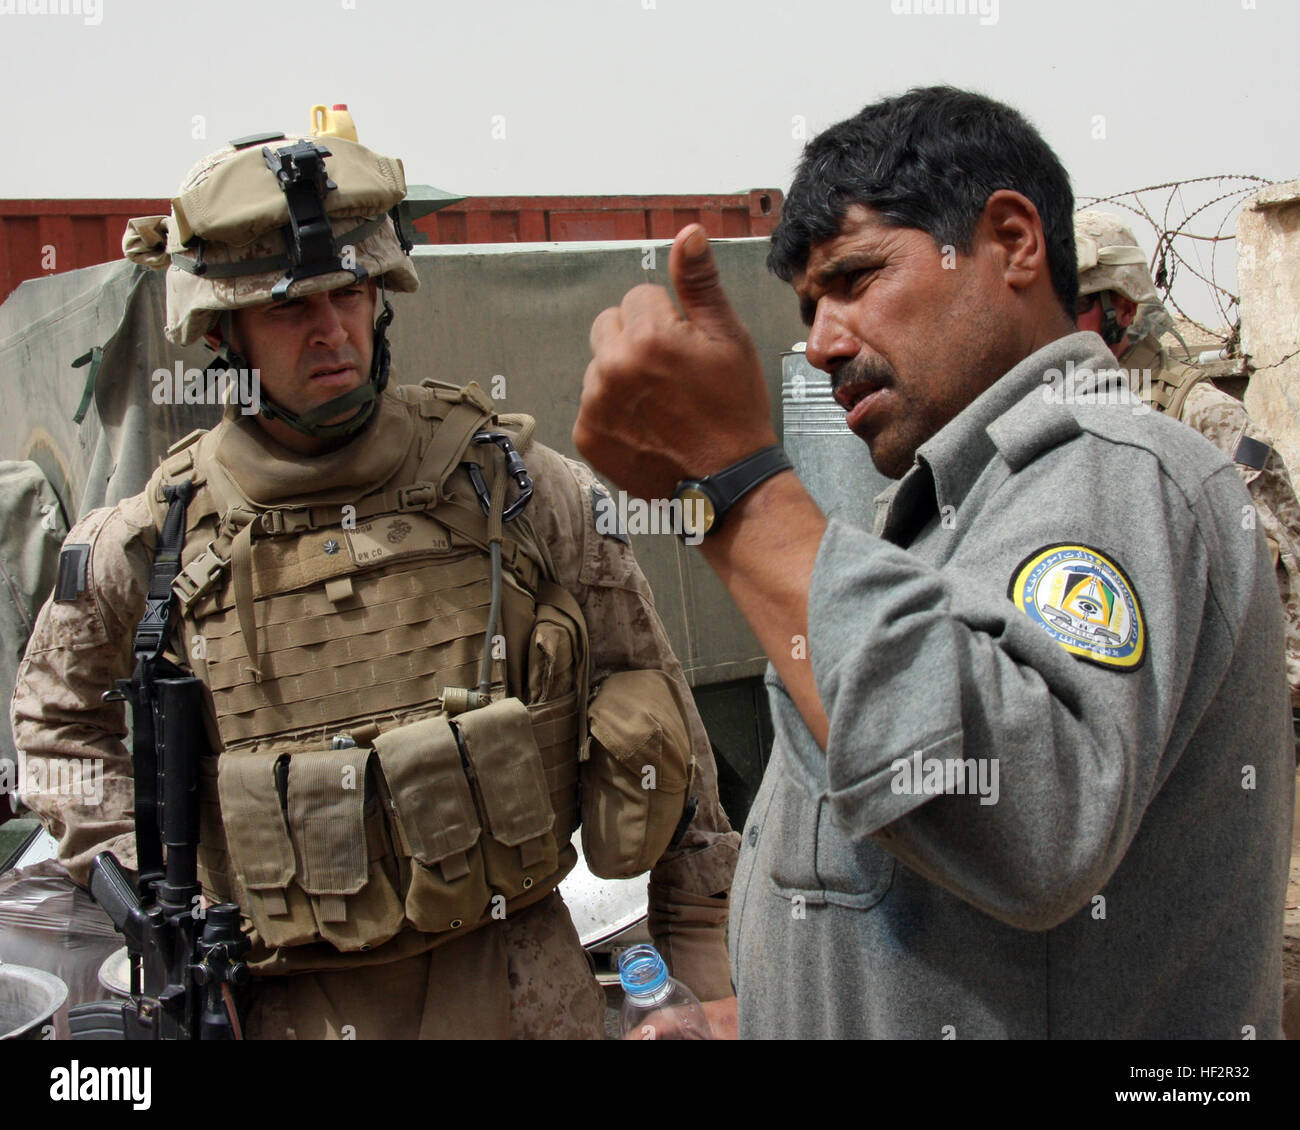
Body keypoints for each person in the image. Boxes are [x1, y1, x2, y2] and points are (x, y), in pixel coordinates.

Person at [574, 85, 1294, 1038]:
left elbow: (1026, 822)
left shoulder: (1116, 472)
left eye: (858, 278)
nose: (822, 343)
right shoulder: (945, 514)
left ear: (1012, 241)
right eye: (808, 307)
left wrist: (737, 490)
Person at [10, 130, 739, 1039]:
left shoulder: (513, 485)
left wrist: (702, 942)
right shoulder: (149, 538)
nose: (330, 332)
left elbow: (651, 687)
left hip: (521, 984)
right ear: (223, 331)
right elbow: (52, 729)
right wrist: (149, 899)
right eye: (288, 309)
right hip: (281, 1004)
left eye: (348, 293)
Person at [1073, 208, 1300, 717]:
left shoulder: (1201, 415)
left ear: (1124, 308)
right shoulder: (1046, 411)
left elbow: (1276, 573)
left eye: (1074, 301)